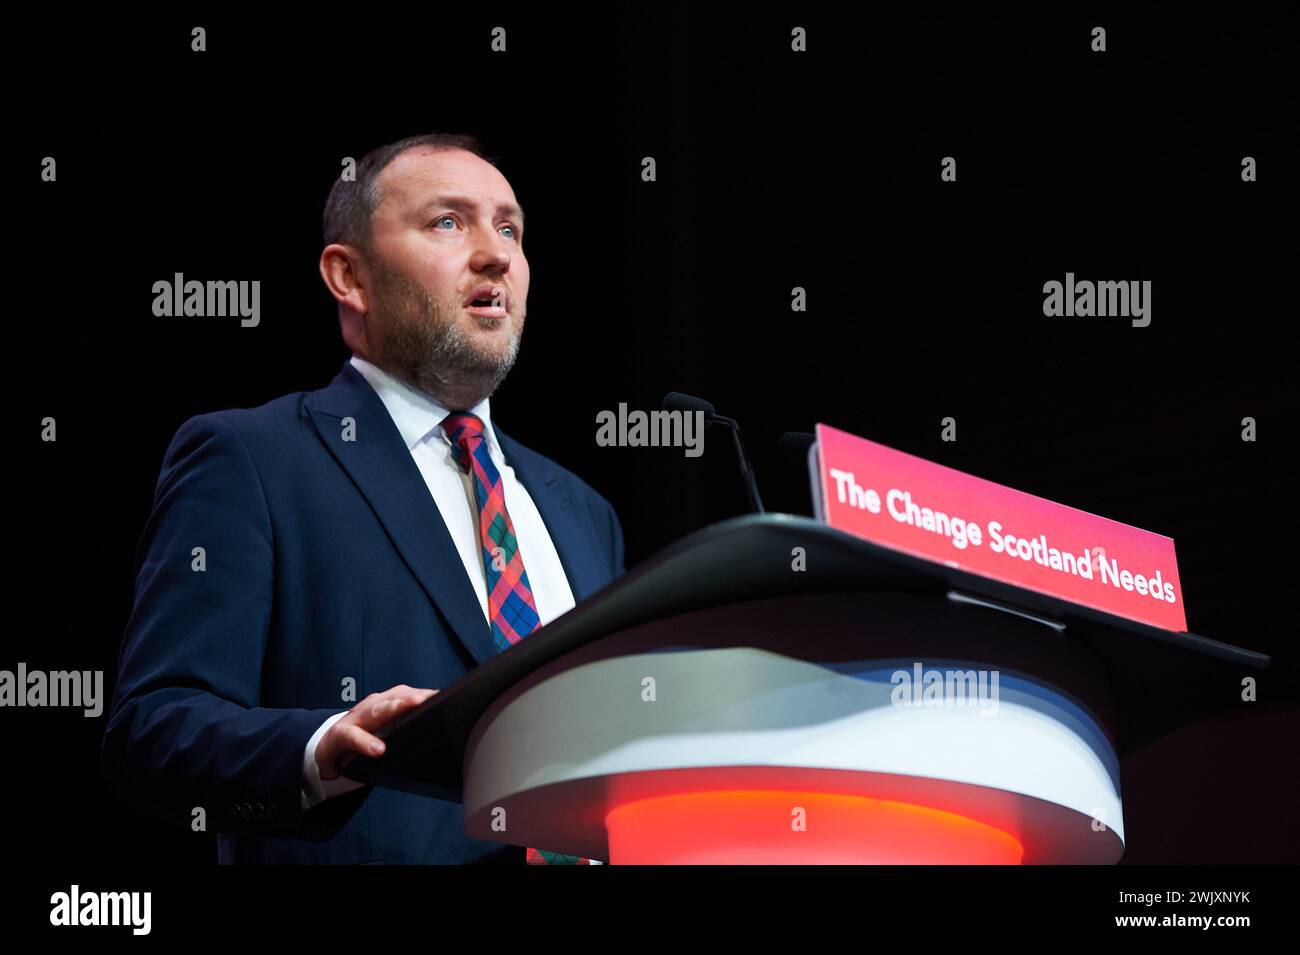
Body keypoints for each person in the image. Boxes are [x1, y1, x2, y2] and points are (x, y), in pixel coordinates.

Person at [101, 132, 626, 864]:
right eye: (448, 221)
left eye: (510, 228)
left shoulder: (584, 512)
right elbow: (152, 729)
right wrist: (318, 748)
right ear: (349, 275)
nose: (495, 253)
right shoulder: (252, 459)